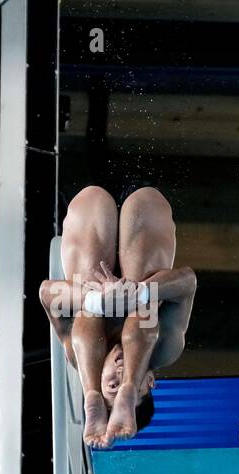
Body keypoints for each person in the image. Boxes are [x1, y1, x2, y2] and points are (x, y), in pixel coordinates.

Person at [37, 184, 196, 446]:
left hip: (91, 209)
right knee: (141, 311)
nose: (121, 372)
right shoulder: (165, 349)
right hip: (143, 207)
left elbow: (46, 292)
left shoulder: (79, 348)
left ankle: (91, 395)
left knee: (88, 313)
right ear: (150, 380)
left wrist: (98, 301)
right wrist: (139, 293)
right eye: (130, 384)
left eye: (114, 385)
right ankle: (129, 389)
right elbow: (188, 282)